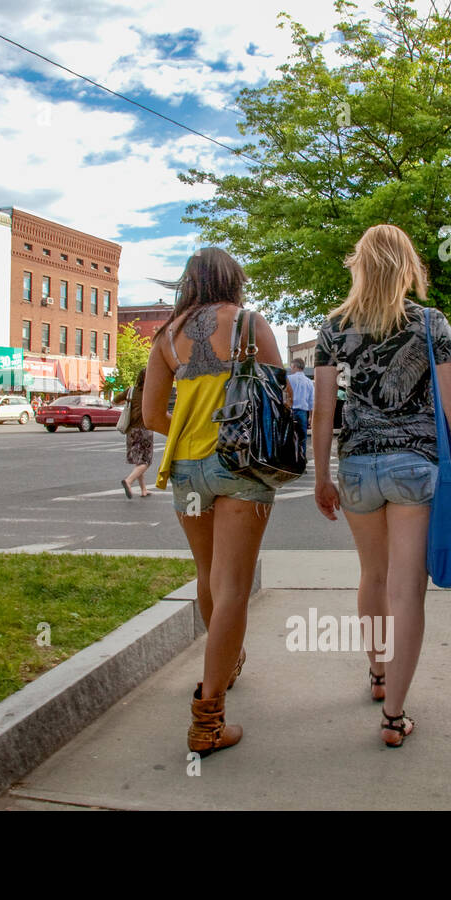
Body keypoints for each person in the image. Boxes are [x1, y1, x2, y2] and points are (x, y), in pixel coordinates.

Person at [312, 223, 451, 748]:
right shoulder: (432, 324)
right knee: (408, 591)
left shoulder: (333, 327)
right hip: (416, 468)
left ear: (359, 264)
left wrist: (321, 475)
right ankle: (394, 715)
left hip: (359, 467)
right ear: (408, 265)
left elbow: (322, 412)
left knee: (372, 577)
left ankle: (378, 672)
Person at [142, 247, 285, 756]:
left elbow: (151, 413)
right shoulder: (249, 323)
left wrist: (190, 427)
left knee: (207, 574)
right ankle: (208, 720)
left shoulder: (166, 336)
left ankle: (225, 663)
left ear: (189, 282)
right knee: (234, 589)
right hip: (242, 464)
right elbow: (281, 397)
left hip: (185, 467)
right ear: (234, 279)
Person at [113, 369, 153, 498]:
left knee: (138, 461)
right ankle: (129, 481)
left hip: (131, 431)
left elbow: (114, 400)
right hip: (145, 430)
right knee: (146, 461)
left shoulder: (130, 391)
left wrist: (129, 403)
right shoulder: (150, 392)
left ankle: (143, 490)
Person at [287, 358, 314, 437]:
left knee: (289, 437)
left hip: (290, 411)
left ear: (295, 366)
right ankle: (302, 449)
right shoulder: (309, 381)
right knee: (302, 438)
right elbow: (311, 401)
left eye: (291, 366)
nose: (291, 369)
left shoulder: (288, 379)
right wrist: (310, 417)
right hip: (303, 413)